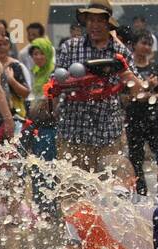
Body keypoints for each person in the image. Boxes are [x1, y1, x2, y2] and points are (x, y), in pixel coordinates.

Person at [54, 1, 131, 170]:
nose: (94, 25)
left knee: (109, 191)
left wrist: (124, 72)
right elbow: (55, 82)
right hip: (73, 131)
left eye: (100, 21)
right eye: (90, 20)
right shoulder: (70, 47)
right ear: (85, 22)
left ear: (108, 23)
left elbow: (136, 86)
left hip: (108, 132)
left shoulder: (120, 51)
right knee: (72, 191)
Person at [125, 30, 158, 195]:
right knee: (136, 158)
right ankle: (140, 193)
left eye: (149, 44)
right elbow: (122, 94)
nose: (146, 47)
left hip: (154, 119)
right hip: (134, 119)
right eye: (143, 43)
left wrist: (153, 95)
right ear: (134, 45)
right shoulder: (128, 70)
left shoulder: (155, 67)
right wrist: (136, 96)